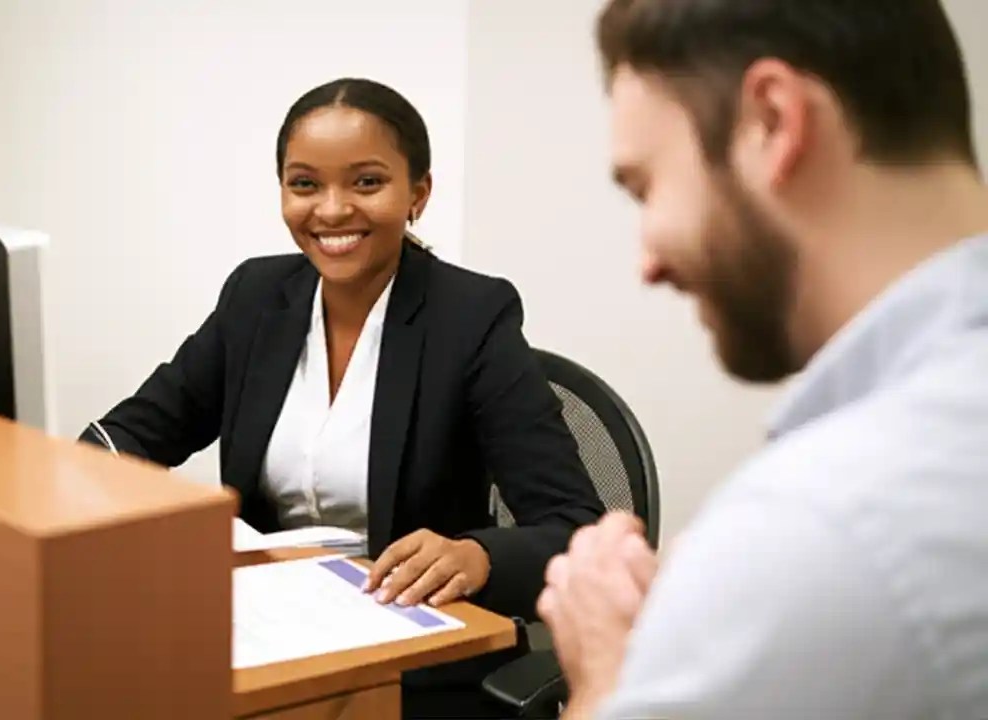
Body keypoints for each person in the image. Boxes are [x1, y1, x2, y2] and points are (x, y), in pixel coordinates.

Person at [83, 77, 604, 716]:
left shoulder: (471, 318)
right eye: (305, 184)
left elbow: (575, 530)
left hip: (408, 656)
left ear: (418, 194)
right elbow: (132, 435)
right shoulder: (256, 298)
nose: (330, 211)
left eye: (365, 182)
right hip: (269, 635)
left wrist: (475, 555)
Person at [536, 1, 988, 718]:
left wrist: (606, 678)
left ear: (771, 121)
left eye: (646, 186)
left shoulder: (819, 528)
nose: (647, 263)